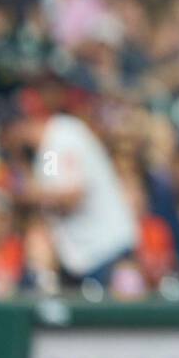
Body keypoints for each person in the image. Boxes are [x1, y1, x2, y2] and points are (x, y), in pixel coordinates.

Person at [9, 109, 138, 287]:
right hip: (84, 255)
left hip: (109, 248)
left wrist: (27, 196)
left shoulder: (63, 136)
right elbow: (50, 190)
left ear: (19, 128)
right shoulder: (48, 148)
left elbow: (74, 196)